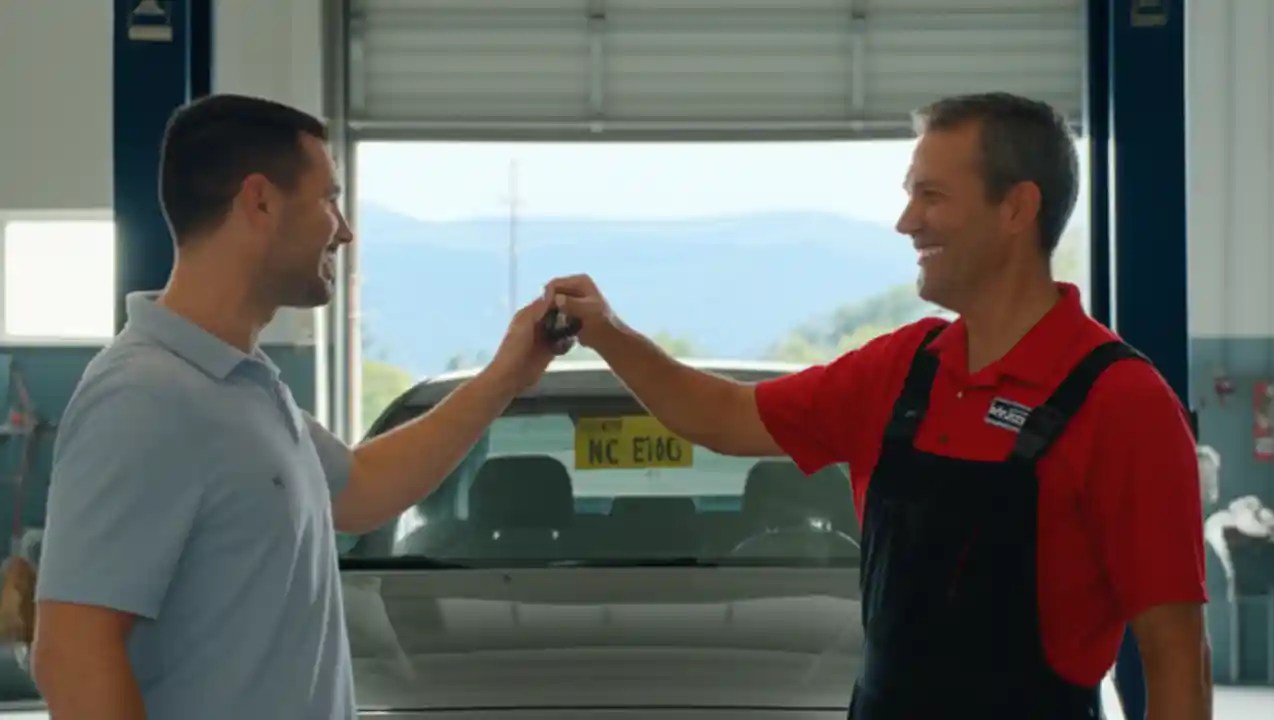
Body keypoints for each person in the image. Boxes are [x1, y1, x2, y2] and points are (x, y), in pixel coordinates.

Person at [544, 92, 1212, 718]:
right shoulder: (900, 371)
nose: (906, 221)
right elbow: (721, 417)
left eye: (932, 196)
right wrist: (605, 331)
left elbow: (1176, 656)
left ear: (1016, 209)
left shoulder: (1121, 402)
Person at [31, 94, 558, 719]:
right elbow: (71, 650)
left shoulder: (243, 385)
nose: (345, 228)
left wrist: (506, 376)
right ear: (259, 201)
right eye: (329, 198)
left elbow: (363, 487)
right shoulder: (143, 396)